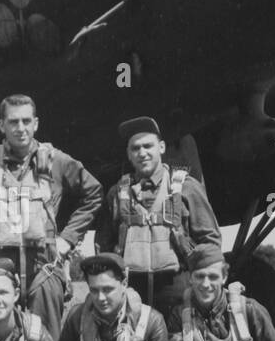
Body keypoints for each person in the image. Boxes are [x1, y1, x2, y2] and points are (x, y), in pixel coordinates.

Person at [0, 94, 102, 341]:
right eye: (13, 122)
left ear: (36, 123)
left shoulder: (56, 160)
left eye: (26, 121)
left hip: (44, 266)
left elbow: (93, 193)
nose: (20, 128)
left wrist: (68, 237)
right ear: (2, 125)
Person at [95, 116, 221, 318]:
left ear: (161, 147)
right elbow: (103, 246)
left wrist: (203, 288)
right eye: (135, 148)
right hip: (132, 294)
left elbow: (210, 242)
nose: (142, 153)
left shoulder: (187, 188)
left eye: (148, 146)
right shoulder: (117, 193)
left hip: (179, 293)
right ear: (128, 154)